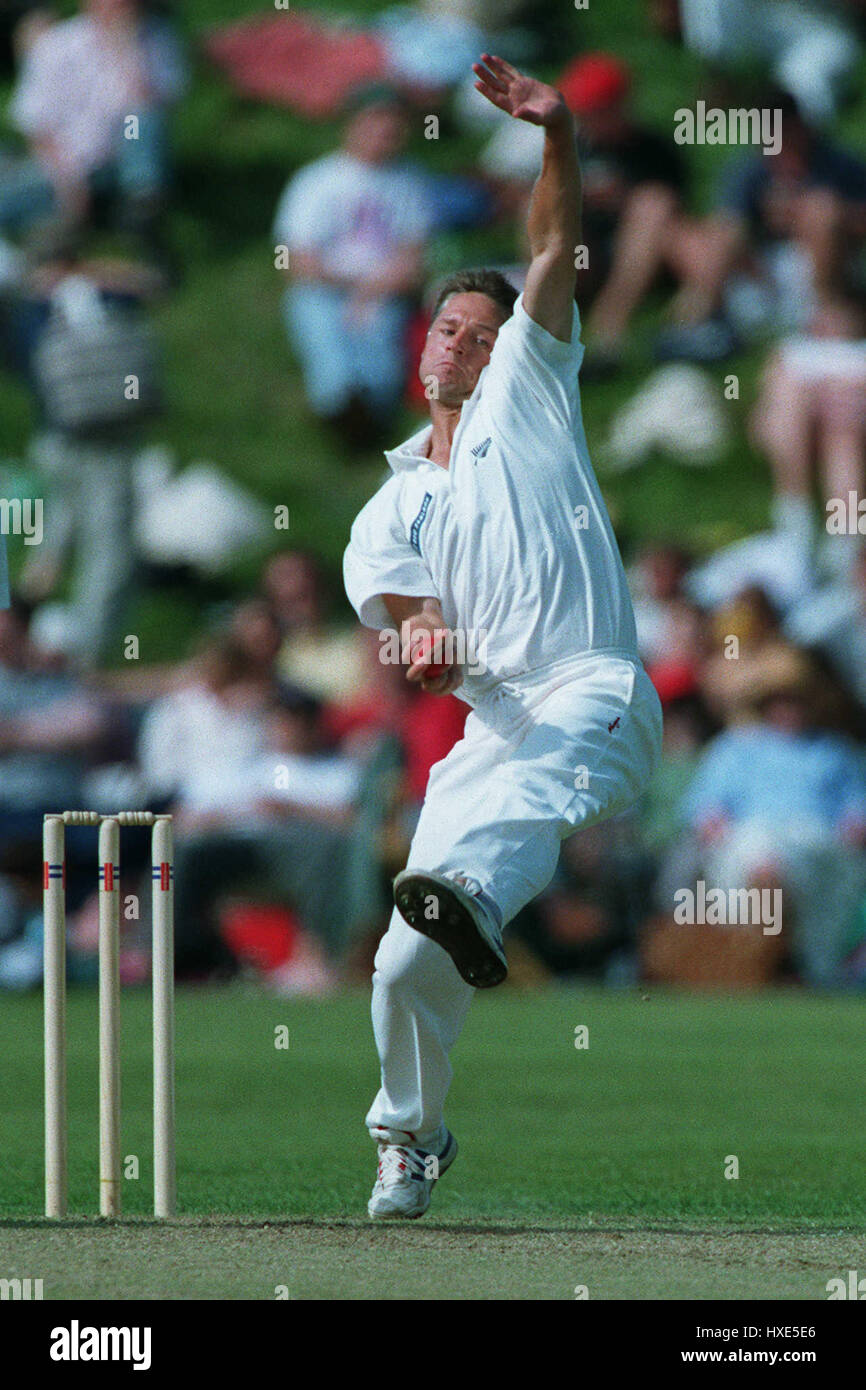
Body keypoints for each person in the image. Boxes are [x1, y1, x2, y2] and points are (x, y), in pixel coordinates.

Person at [343, 54, 663, 1220]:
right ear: (418, 345)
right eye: (445, 328)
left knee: (466, 882)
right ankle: (410, 1139)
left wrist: (559, 134)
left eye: (479, 330)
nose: (461, 345)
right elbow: (401, 608)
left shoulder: (530, 384)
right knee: (398, 962)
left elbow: (549, 244)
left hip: (592, 689)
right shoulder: (386, 505)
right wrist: (424, 632)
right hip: (492, 729)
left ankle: (473, 895)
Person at [273, 84, 434, 446]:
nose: (387, 131)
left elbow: (414, 259)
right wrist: (352, 288)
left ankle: (370, 418)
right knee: (327, 340)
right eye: (376, 120)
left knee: (379, 350)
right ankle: (341, 410)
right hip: (324, 290)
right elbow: (296, 259)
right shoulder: (316, 180)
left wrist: (372, 292)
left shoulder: (411, 183)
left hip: (384, 293)